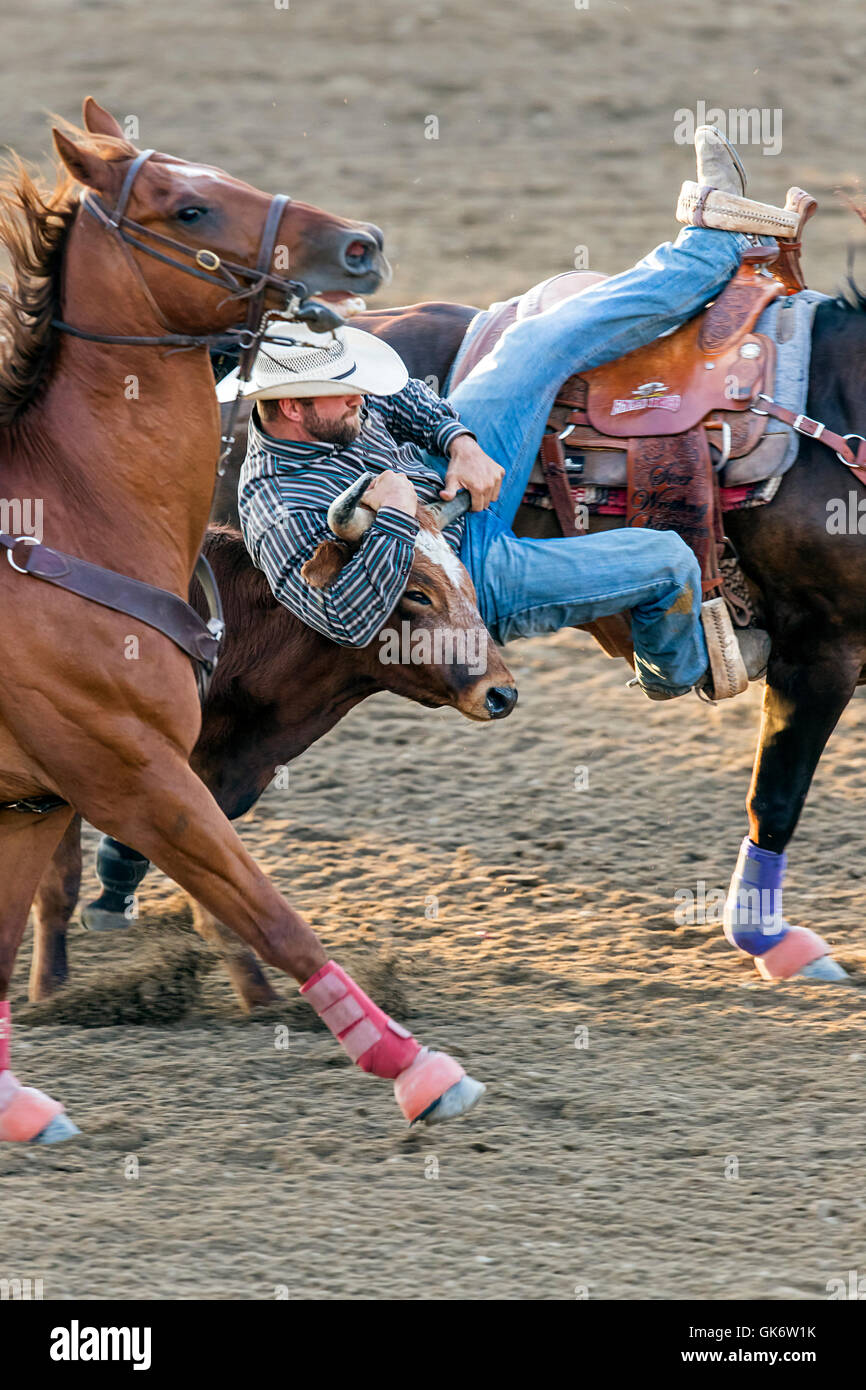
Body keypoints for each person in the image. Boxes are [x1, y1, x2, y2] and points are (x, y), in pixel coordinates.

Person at [231, 128, 796, 700]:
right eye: (343, 392)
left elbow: (400, 394)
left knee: (537, 342)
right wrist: (399, 513)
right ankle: (681, 668)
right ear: (293, 406)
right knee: (667, 560)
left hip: (451, 487)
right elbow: (347, 621)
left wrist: (459, 443)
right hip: (458, 579)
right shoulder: (277, 508)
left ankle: (710, 242)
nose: (360, 396)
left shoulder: (340, 401)